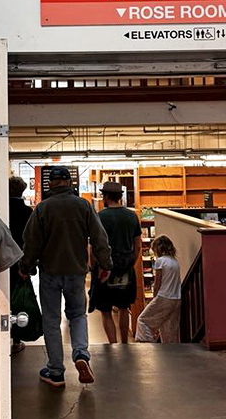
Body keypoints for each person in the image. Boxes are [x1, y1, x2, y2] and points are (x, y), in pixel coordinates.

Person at [19, 166, 112, 387]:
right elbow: (100, 238)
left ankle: (56, 371)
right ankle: (81, 354)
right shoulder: (83, 206)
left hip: (50, 272)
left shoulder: (42, 209)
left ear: (50, 184)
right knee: (77, 315)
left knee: (51, 320)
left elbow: (31, 244)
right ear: (70, 182)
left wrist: (25, 267)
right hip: (76, 272)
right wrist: (105, 264)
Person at [88, 180, 142, 344]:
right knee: (124, 307)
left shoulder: (100, 217)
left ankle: (113, 344)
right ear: (120, 197)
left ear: (105, 196)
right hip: (126, 267)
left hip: (105, 268)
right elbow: (138, 245)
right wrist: (131, 263)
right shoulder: (132, 216)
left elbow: (94, 247)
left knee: (105, 310)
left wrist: (93, 266)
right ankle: (125, 343)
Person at [134, 235, 182, 344]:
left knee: (143, 320)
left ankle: (147, 345)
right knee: (170, 328)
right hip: (177, 298)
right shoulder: (175, 262)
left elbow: (157, 283)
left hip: (164, 297)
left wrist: (154, 299)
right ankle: (172, 351)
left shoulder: (160, 261)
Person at [8, 175, 33, 354]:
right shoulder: (27, 212)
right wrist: (28, 266)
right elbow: (31, 241)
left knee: (3, 298)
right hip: (21, 261)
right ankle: (16, 339)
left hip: (1, 260)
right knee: (19, 301)